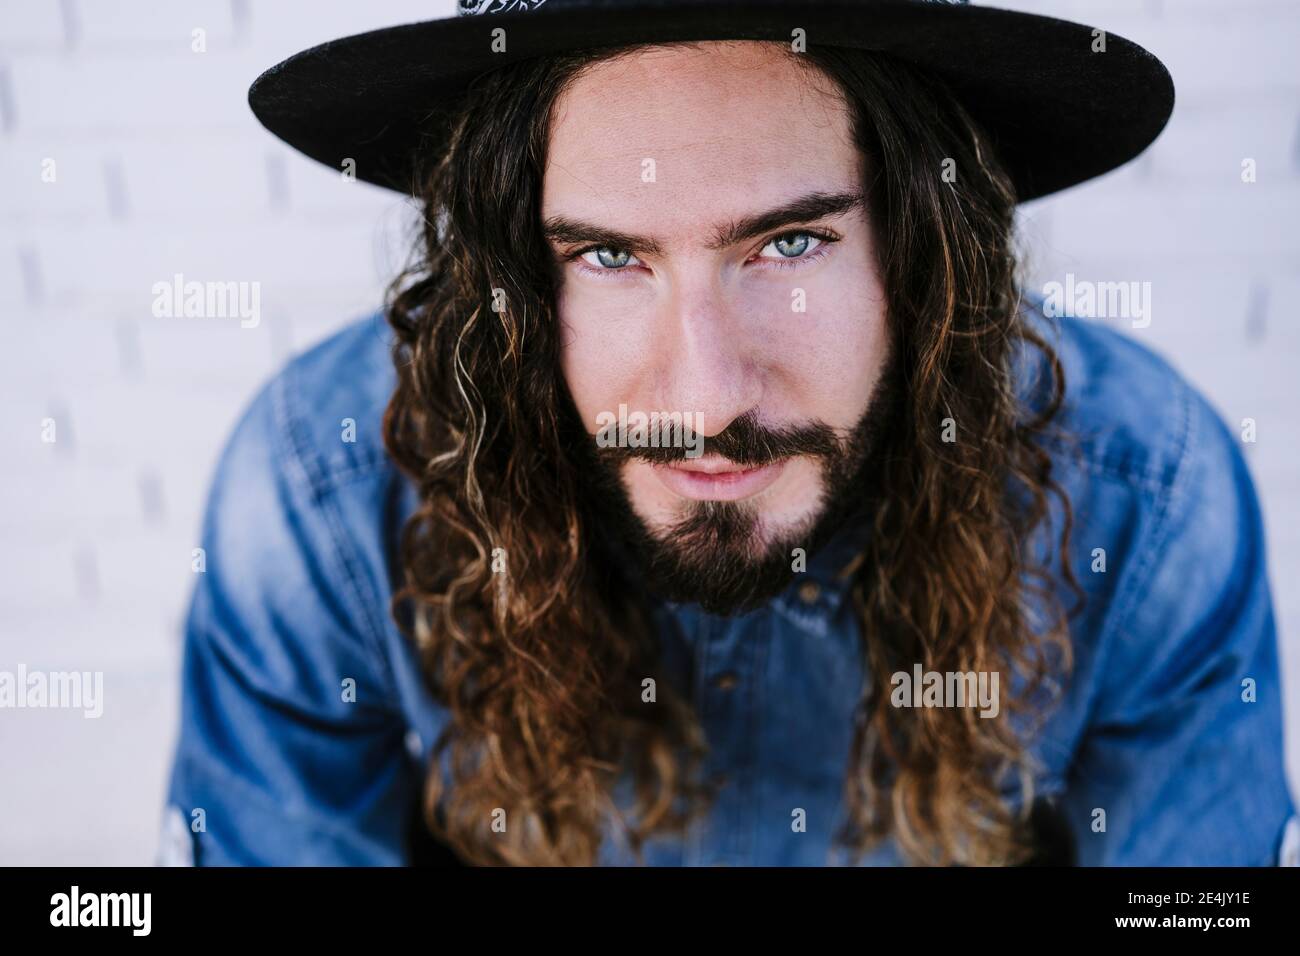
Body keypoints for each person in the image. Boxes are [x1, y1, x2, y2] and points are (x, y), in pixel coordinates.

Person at [159, 0, 1298, 866]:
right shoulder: (323, 488)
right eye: (610, 256)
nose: (706, 400)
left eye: (789, 245)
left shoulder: (1144, 489)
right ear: (507, 272)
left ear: (922, 249)